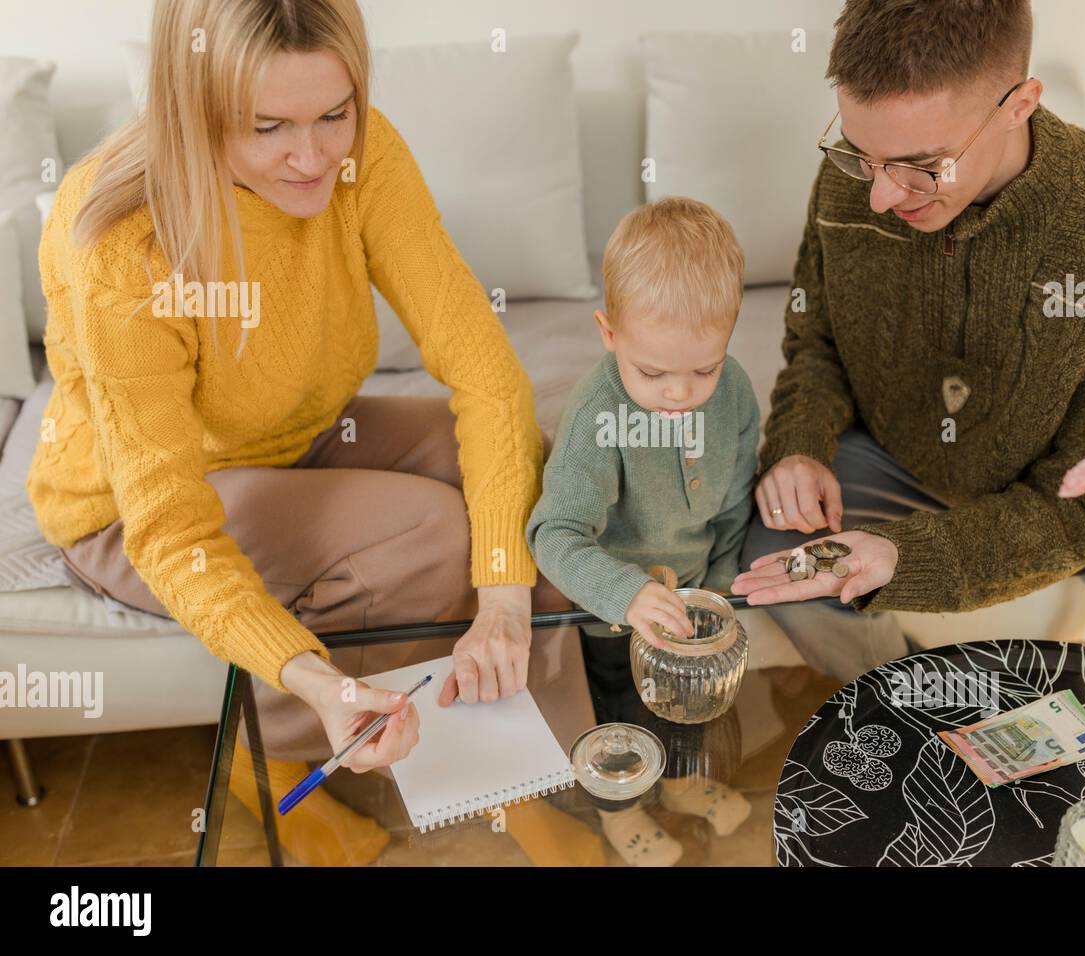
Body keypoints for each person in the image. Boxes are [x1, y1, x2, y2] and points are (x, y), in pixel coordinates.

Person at [27, 0, 591, 865]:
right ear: (193, 109)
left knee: (521, 476)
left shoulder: (366, 154)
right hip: (130, 509)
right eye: (268, 127)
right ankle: (293, 758)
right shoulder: (120, 244)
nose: (315, 156)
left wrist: (506, 598)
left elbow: (483, 369)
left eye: (335, 112)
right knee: (432, 533)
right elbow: (170, 526)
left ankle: (530, 768)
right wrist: (318, 680)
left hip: (296, 440)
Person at [733, 0, 1085, 681]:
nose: (878, 197)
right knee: (777, 560)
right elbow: (817, 341)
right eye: (861, 155)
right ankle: (905, 717)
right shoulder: (856, 187)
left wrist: (914, 559)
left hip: (1081, 490)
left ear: (1021, 104)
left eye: (922, 164)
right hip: (896, 457)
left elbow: (1079, 516)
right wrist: (800, 445)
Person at [527, 197, 758, 864]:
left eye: (703, 369)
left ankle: (683, 787)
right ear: (608, 333)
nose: (681, 392)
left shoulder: (735, 395)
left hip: (690, 610)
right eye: (654, 372)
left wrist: (718, 596)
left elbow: (735, 506)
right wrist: (627, 595)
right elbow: (554, 533)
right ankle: (619, 811)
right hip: (609, 617)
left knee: (687, 712)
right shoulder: (594, 422)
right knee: (619, 723)